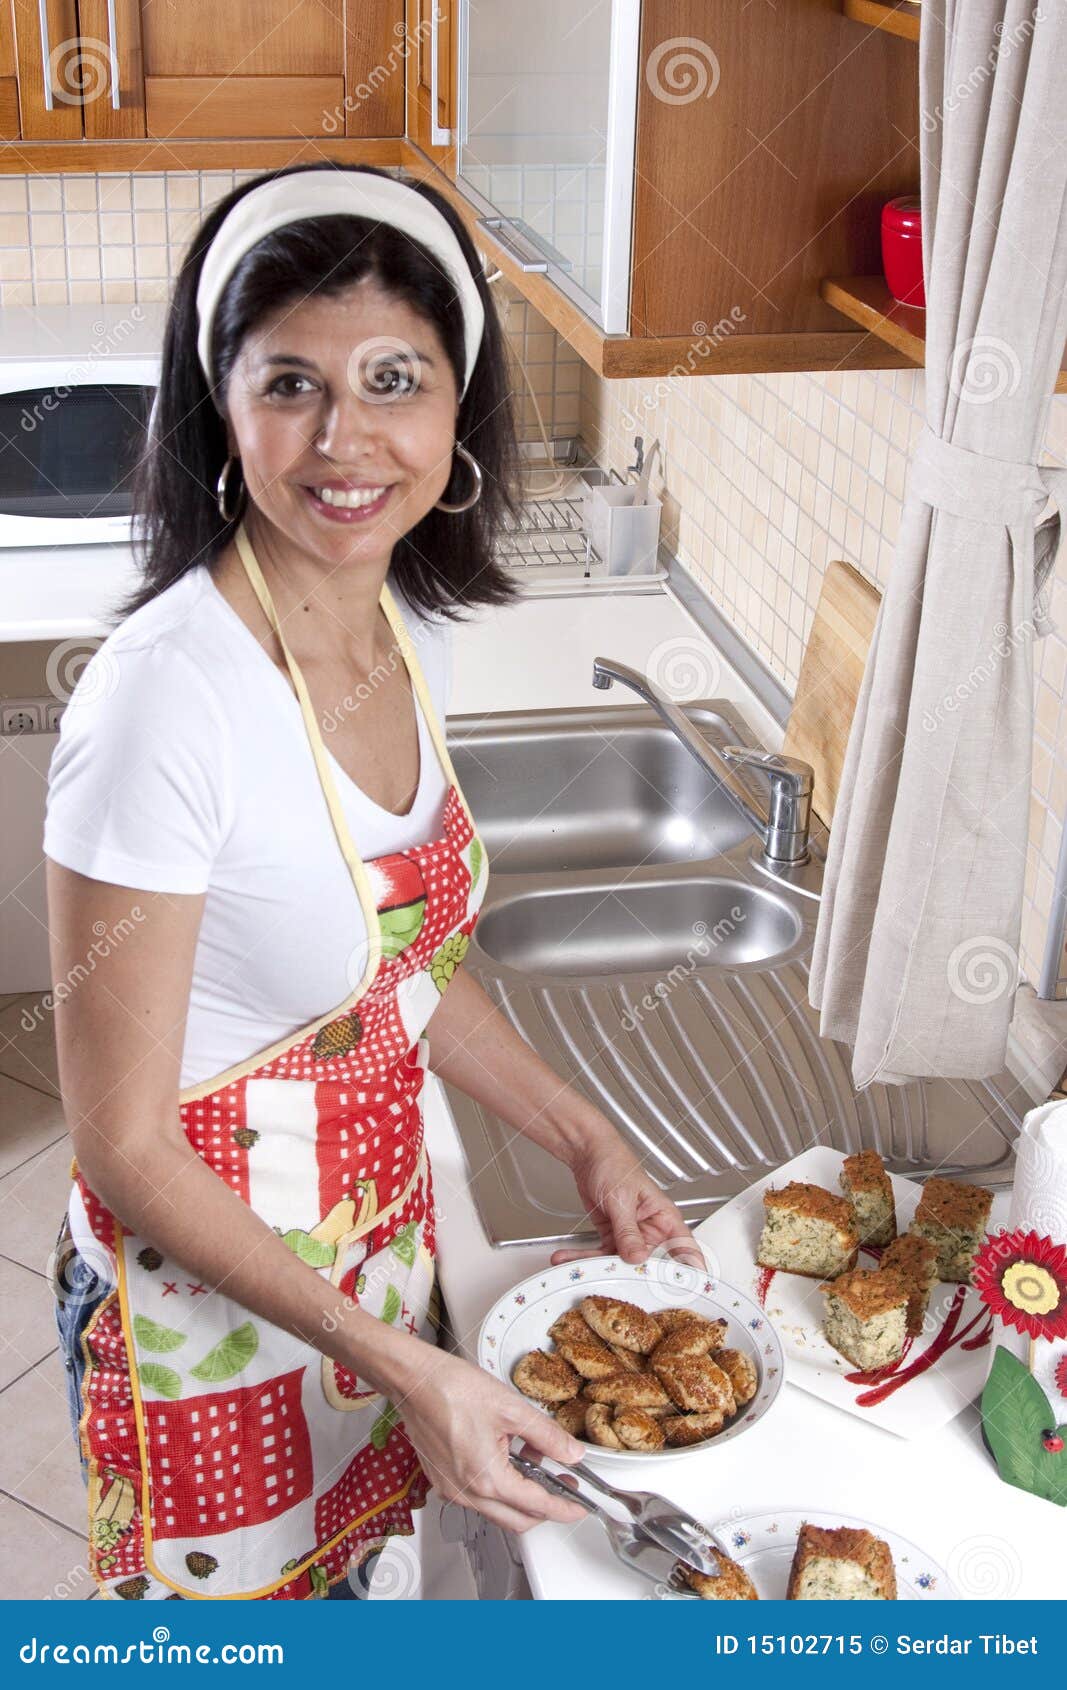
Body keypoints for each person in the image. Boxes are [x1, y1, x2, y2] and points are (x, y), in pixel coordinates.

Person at [43, 163, 705, 1601]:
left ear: (457, 410)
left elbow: (393, 967)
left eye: (393, 379)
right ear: (221, 408)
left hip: (364, 1273)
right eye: (290, 383)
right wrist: (406, 1363)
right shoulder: (166, 700)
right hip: (202, 1323)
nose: (345, 440)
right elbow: (123, 1145)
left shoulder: (410, 629)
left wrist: (581, 1133)